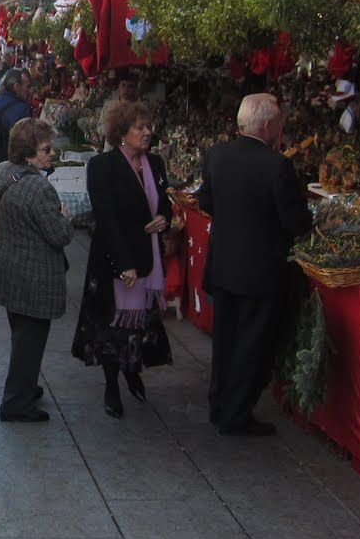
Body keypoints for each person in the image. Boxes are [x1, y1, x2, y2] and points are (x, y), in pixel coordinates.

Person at [198, 93, 314, 437]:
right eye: (279, 126)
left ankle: (220, 404)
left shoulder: (217, 155)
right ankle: (236, 414)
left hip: (224, 265)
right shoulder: (276, 165)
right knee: (251, 344)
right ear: (268, 126)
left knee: (226, 341)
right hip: (260, 271)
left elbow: (206, 200)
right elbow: (295, 222)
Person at [74, 99, 176, 417]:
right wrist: (123, 264)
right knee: (113, 325)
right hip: (115, 259)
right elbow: (105, 217)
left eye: (148, 127)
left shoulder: (155, 163)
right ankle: (111, 385)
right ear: (122, 132)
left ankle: (133, 370)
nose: (147, 133)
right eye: (139, 128)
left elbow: (164, 202)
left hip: (148, 258)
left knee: (139, 324)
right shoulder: (102, 167)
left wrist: (164, 218)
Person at [0, 118, 73, 423]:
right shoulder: (38, 187)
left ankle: (25, 387)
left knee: (22, 337)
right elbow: (60, 235)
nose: (52, 155)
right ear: (28, 153)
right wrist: (64, 216)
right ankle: (17, 401)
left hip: (7, 266)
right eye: (46, 149)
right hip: (34, 276)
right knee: (29, 340)